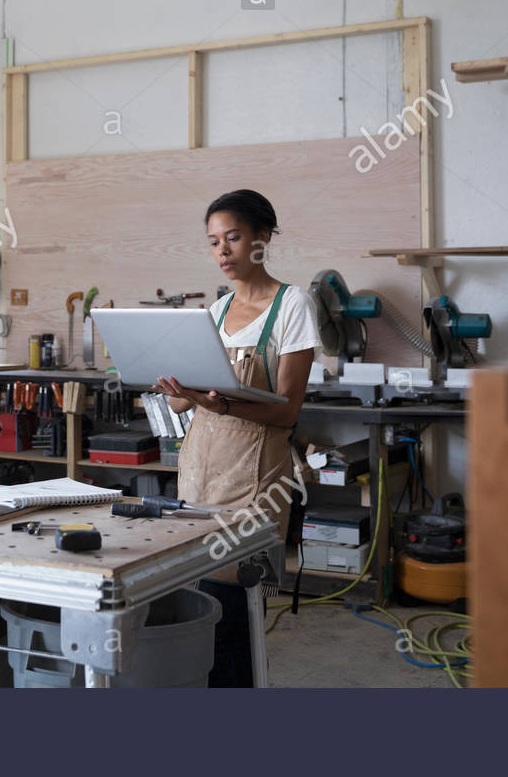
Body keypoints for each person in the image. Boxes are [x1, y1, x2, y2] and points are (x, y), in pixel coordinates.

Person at [155, 189, 317, 687]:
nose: (222, 251)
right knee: (196, 603)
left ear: (262, 238)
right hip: (199, 472)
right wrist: (176, 388)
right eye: (213, 242)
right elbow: (183, 406)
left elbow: (287, 409)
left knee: (235, 608)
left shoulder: (292, 305)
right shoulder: (218, 310)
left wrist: (218, 403)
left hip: (254, 479)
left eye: (233, 238)